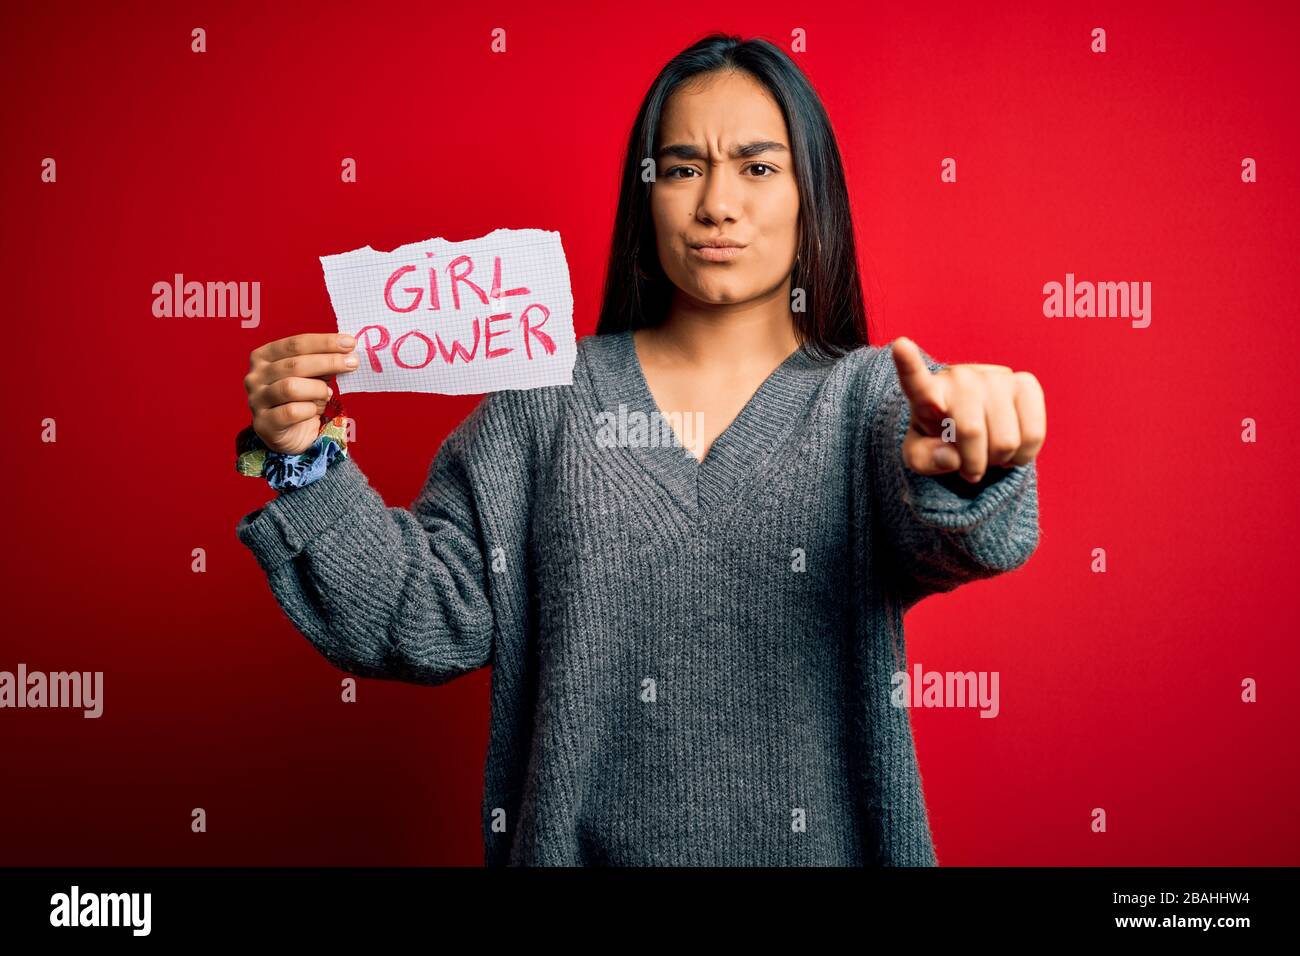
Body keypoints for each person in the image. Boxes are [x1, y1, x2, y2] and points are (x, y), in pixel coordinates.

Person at [235, 33, 1045, 866]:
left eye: (759, 168)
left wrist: (975, 459)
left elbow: (962, 531)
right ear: (647, 194)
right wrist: (301, 458)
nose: (717, 204)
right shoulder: (541, 404)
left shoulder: (870, 402)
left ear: (814, 198)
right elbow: (424, 617)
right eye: (685, 167)